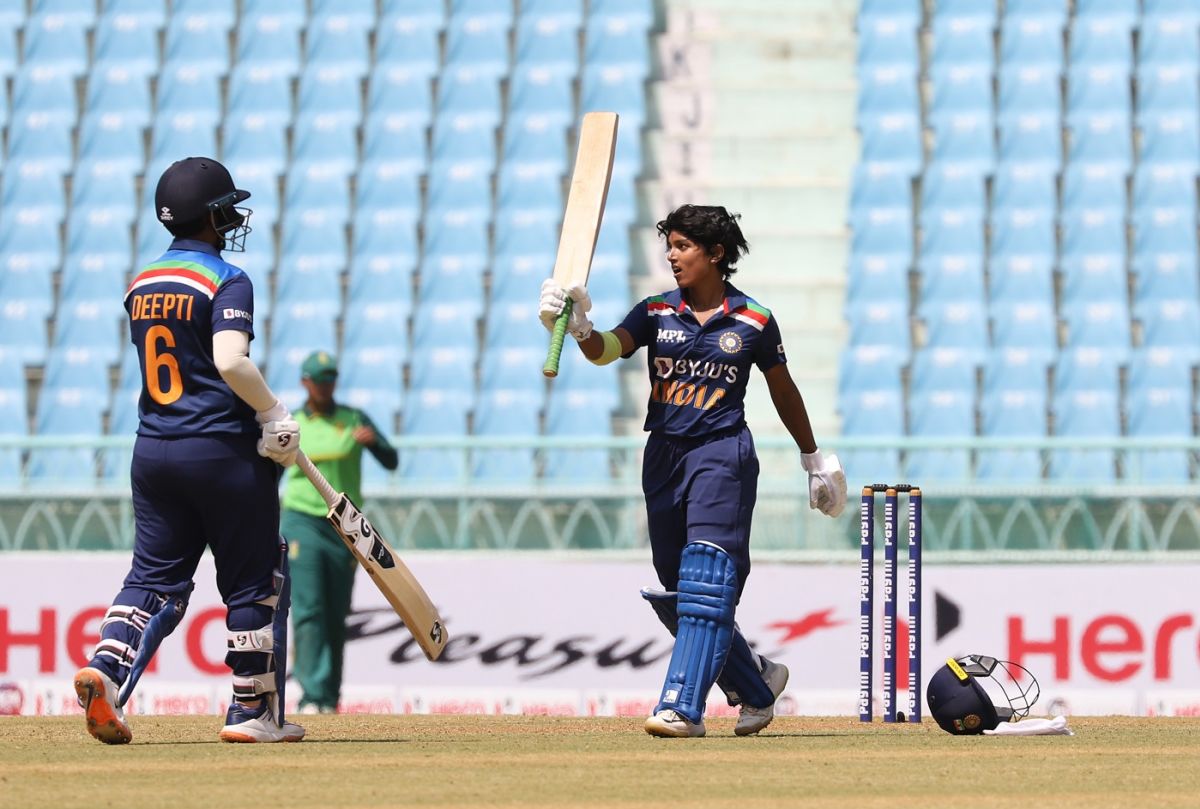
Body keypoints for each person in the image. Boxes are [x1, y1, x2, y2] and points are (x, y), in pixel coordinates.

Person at [538, 204, 847, 738]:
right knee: (678, 586)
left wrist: (813, 457)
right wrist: (581, 325)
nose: (672, 256)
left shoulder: (753, 319)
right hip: (663, 454)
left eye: (683, 247)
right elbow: (607, 350)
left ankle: (682, 706)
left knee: (708, 575)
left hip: (721, 452)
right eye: (670, 246)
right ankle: (755, 681)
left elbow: (782, 388)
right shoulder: (656, 310)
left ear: (716, 253)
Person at [72, 157, 306, 744]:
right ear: (212, 215)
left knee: (153, 580)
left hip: (153, 451)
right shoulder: (227, 279)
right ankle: (252, 710)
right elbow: (229, 360)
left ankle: (106, 668)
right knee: (256, 579)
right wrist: (274, 413)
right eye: (226, 206)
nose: (234, 216)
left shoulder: (141, 282)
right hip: (222, 452)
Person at [282, 350, 399, 714]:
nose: (326, 386)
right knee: (309, 607)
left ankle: (329, 698)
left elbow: (391, 460)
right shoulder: (293, 421)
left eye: (331, 378)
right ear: (306, 382)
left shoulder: (353, 417)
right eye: (319, 380)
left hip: (346, 525)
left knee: (335, 610)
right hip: (303, 519)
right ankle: (310, 695)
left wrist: (373, 442)